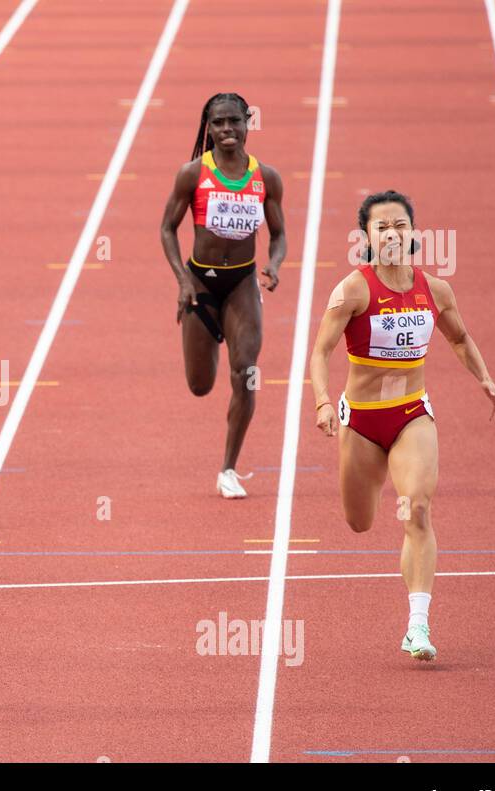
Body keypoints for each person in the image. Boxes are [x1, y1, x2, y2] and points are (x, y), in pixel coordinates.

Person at [309, 190, 495, 660]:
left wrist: (484, 378)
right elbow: (320, 352)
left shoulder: (435, 290)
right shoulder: (352, 290)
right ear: (367, 238)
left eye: (401, 225)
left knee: (416, 509)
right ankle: (374, 482)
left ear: (414, 232)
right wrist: (321, 402)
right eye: (383, 227)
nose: (393, 234)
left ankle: (417, 624)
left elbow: (459, 338)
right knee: (360, 523)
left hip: (411, 415)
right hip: (361, 422)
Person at [160, 92, 286, 498]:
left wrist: (275, 263)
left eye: (234, 121)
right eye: (217, 123)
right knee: (200, 385)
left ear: (248, 122)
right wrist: (182, 280)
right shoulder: (192, 174)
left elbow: (280, 233)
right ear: (207, 127)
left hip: (242, 286)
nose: (227, 130)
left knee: (246, 373)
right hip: (200, 286)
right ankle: (210, 336)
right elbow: (167, 229)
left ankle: (228, 469)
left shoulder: (266, 177)